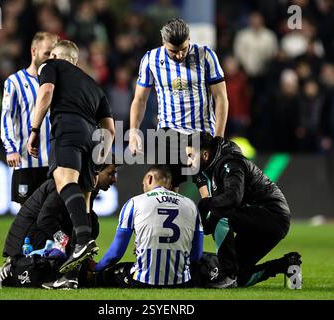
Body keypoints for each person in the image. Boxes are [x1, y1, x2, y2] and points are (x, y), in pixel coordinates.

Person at [27, 40, 115, 274]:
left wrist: (34, 130)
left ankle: (83, 241)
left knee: (65, 181)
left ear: (55, 55)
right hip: (91, 137)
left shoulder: (50, 66)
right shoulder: (95, 86)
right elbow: (110, 129)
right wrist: (98, 161)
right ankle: (74, 271)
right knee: (84, 199)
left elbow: (46, 92)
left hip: (67, 127)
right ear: (75, 61)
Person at [185, 132, 302, 288]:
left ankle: (227, 275)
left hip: (272, 216)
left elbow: (233, 198)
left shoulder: (231, 163)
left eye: (191, 156)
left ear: (205, 154)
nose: (188, 162)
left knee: (218, 216)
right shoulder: (211, 168)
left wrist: (205, 205)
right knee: (241, 277)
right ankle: (287, 264)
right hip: (257, 221)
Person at [129, 18, 229, 190]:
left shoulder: (206, 56)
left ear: (189, 39)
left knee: (210, 191)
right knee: (163, 190)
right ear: (163, 43)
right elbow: (139, 99)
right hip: (169, 131)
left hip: (202, 132)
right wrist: (133, 131)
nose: (179, 55)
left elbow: (221, 98)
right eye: (173, 51)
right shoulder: (151, 59)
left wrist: (218, 139)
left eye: (183, 49)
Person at [0, 162, 119, 287]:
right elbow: (45, 220)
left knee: (91, 223)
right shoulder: (65, 185)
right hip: (25, 242)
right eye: (111, 173)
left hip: (41, 234)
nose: (114, 179)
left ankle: (71, 267)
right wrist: (67, 244)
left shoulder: (84, 187)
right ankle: (14, 266)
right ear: (96, 172)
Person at [85, 165, 203, 288]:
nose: (144, 188)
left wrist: (96, 267)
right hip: (182, 283)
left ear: (149, 178)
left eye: (143, 184)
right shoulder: (190, 205)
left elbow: (116, 253)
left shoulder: (134, 203)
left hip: (143, 281)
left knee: (106, 274)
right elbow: (197, 255)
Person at [0, 32, 58, 204]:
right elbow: (7, 117)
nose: (51, 58)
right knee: (27, 216)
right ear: (34, 51)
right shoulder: (14, 81)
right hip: (27, 162)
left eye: (54, 54)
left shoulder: (60, 82)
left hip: (55, 162)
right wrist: (10, 148)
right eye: (47, 53)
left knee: (53, 216)